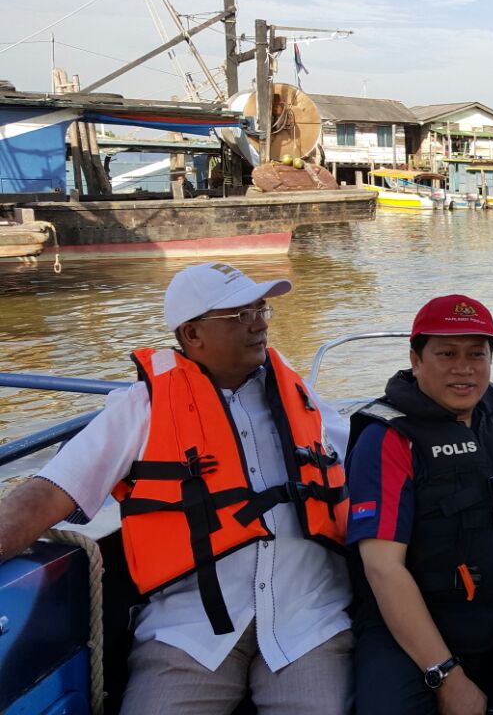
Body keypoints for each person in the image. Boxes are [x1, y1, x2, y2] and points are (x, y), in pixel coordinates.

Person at [0, 262, 353, 714]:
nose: (259, 324)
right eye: (240, 315)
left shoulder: (300, 396)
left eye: (260, 309)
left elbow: (366, 464)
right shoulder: (141, 407)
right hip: (191, 630)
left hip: (308, 617)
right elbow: (49, 492)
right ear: (192, 333)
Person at [344, 294, 493, 715]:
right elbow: (383, 568)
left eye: (476, 354)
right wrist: (445, 674)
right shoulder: (388, 438)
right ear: (416, 360)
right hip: (419, 610)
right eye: (447, 353)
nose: (464, 367)